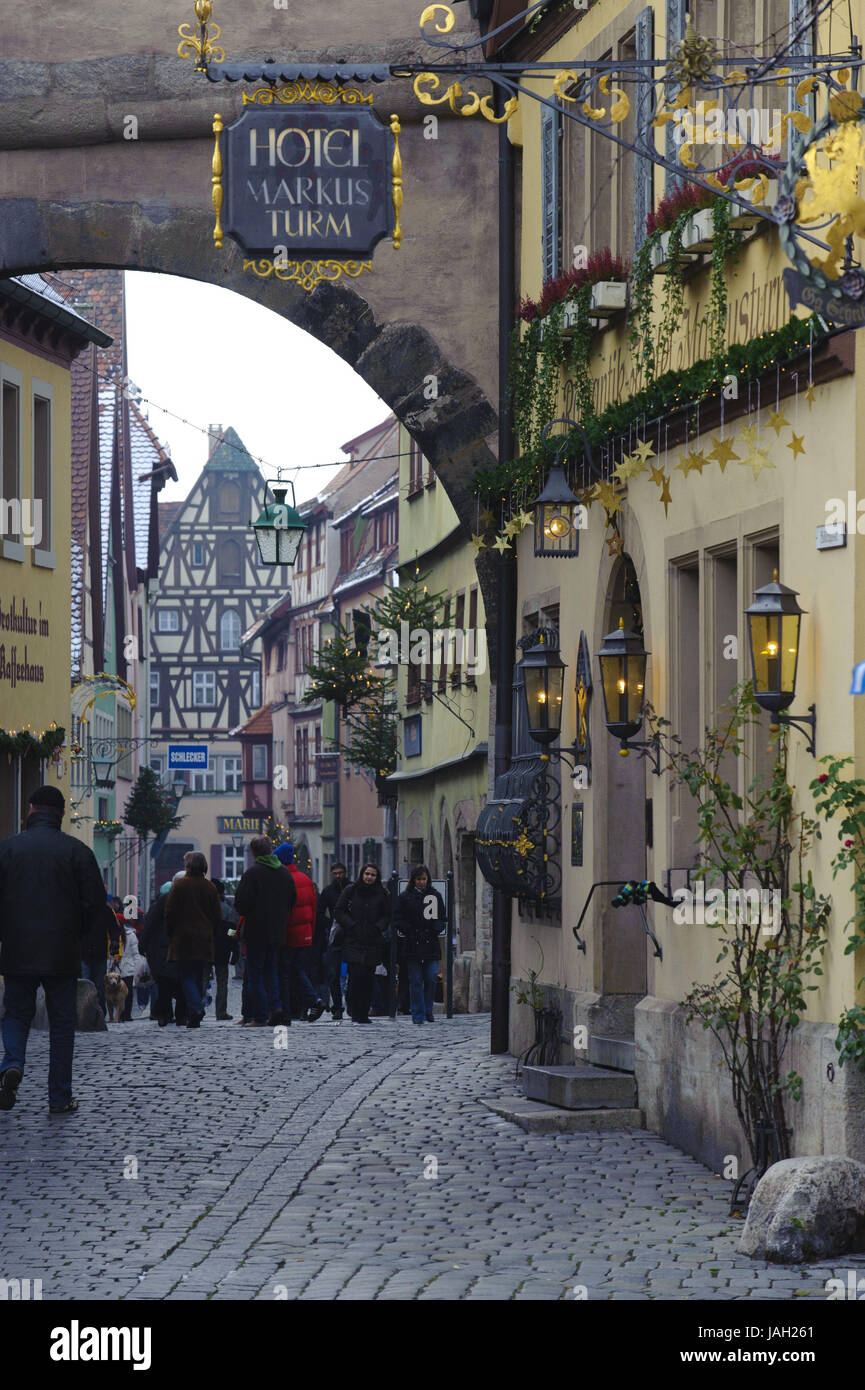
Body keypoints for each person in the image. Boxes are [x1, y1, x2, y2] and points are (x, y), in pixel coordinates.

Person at [0, 785, 107, 1114]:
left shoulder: (7, 850)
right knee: (62, 1026)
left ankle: (11, 1064)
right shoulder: (77, 851)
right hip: (62, 950)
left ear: (30, 809)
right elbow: (94, 904)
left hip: (18, 948)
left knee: (16, 1014)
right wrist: (89, 945)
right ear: (61, 814)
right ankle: (59, 1097)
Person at [233, 835, 296, 1027]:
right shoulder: (284, 873)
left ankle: (259, 1016)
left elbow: (241, 904)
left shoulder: (253, 873)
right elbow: (292, 900)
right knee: (271, 972)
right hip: (277, 931)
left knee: (255, 974)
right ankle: (275, 1009)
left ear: (254, 852)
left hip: (256, 931)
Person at [164, 853, 221, 1028]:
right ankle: (195, 1010)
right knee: (198, 976)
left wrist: (171, 933)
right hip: (203, 938)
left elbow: (170, 912)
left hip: (183, 938)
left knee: (186, 976)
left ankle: (196, 1009)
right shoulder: (210, 887)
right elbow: (217, 916)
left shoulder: (180, 885)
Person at [333, 863, 390, 1025]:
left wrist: (378, 927)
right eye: (367, 874)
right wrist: (351, 925)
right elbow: (339, 910)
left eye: (372, 875)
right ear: (362, 874)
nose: (369, 877)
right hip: (353, 940)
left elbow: (387, 915)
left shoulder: (382, 894)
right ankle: (354, 1010)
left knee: (368, 978)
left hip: (372, 941)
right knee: (356, 975)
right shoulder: (351, 890)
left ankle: (363, 1013)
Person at [274, 843, 325, 1023]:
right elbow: (313, 908)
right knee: (298, 971)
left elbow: (282, 910)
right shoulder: (305, 879)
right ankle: (315, 1000)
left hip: (288, 934)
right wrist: (310, 932)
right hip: (304, 934)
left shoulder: (282, 878)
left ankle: (287, 1013)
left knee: (285, 974)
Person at [393, 864, 446, 1025]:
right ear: (413, 880)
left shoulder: (435, 896)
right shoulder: (405, 897)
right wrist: (409, 930)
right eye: (418, 879)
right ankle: (418, 1013)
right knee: (415, 979)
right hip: (412, 944)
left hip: (430, 943)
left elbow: (442, 918)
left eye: (424, 879)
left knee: (430, 978)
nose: (421, 882)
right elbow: (397, 918)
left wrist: (434, 929)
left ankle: (428, 1009)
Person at [139, 881, 186, 1026]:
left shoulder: (157, 905)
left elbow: (148, 926)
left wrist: (143, 945)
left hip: (159, 950)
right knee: (180, 984)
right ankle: (181, 1016)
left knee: (164, 984)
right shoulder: (183, 904)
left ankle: (164, 1014)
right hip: (179, 948)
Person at [317, 862, 347, 1019]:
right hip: (335, 937)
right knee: (333, 974)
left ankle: (351, 1004)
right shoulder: (328, 891)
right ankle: (337, 1006)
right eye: (335, 873)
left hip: (352, 935)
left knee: (355, 973)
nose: (338, 876)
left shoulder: (351, 888)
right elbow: (319, 912)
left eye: (340, 873)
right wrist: (331, 925)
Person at [210, 878, 237, 1020]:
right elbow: (232, 930)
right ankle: (221, 1012)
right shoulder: (227, 909)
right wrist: (232, 944)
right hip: (223, 949)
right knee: (222, 982)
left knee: (202, 980)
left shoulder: (205, 906)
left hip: (206, 947)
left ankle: (197, 1009)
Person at [116, 915, 144, 1021]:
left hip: (128, 968)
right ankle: (121, 1014)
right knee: (119, 993)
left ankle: (126, 1014)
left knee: (127, 993)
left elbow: (135, 953)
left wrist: (137, 968)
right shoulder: (112, 935)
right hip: (117, 969)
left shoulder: (130, 935)